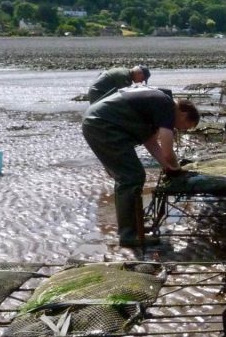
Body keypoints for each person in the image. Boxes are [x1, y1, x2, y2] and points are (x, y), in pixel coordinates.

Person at [82, 88, 200, 247]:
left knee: (128, 177)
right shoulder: (167, 106)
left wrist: (167, 167)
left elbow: (151, 143)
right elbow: (167, 147)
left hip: (97, 122)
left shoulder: (157, 107)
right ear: (184, 115)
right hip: (102, 125)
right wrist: (177, 168)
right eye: (185, 127)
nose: (181, 130)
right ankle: (128, 235)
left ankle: (133, 227)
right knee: (131, 177)